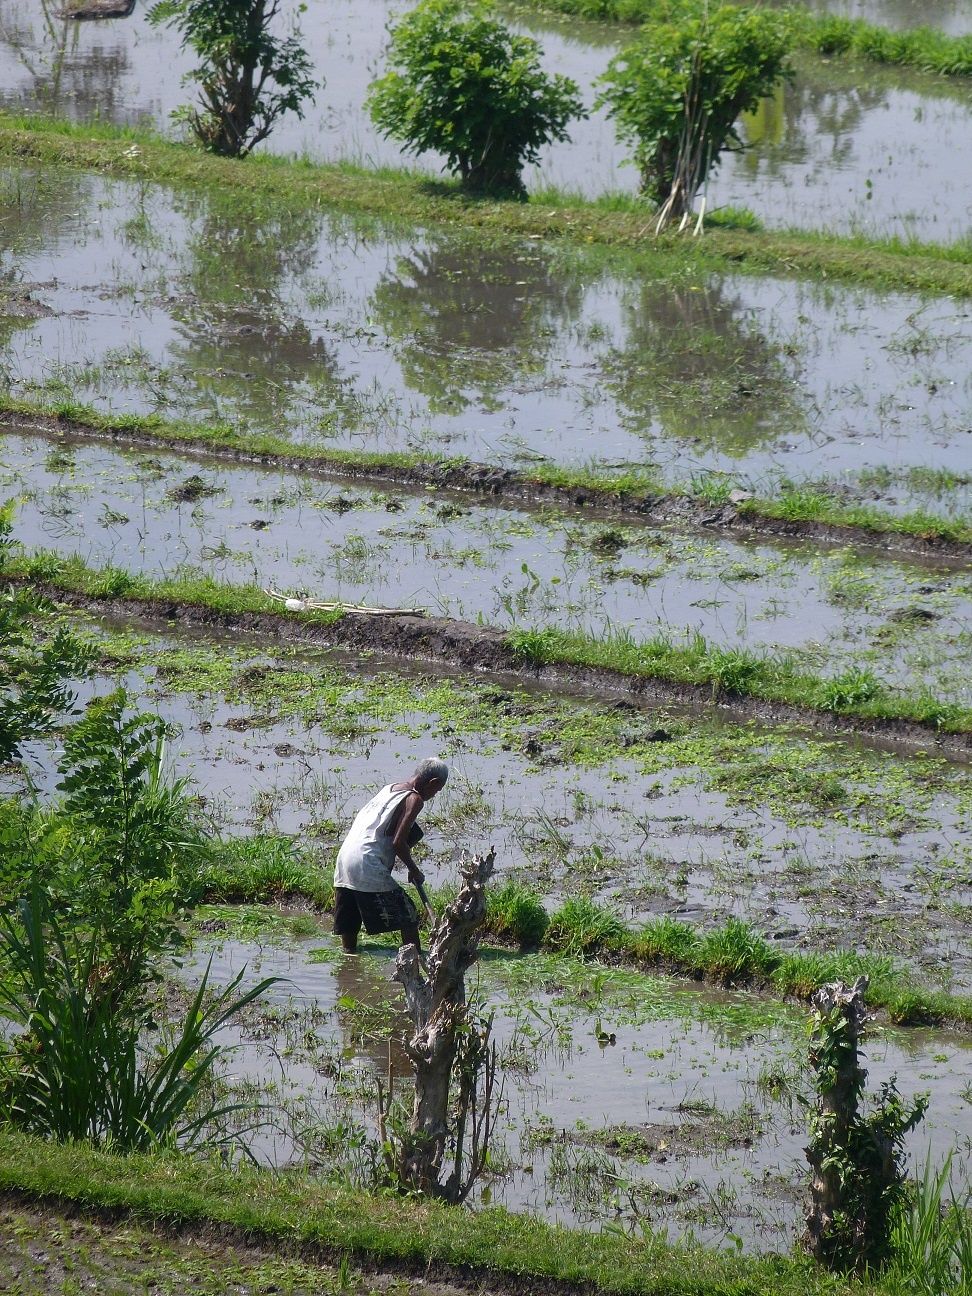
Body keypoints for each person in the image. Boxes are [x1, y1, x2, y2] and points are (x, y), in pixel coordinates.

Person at [332, 758, 448, 954]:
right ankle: (416, 959)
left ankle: (348, 959)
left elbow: (389, 830)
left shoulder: (390, 789)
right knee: (408, 916)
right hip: (367, 861)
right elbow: (397, 843)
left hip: (345, 857)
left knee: (349, 919)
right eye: (437, 791)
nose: (434, 795)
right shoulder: (415, 799)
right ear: (433, 782)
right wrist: (414, 869)